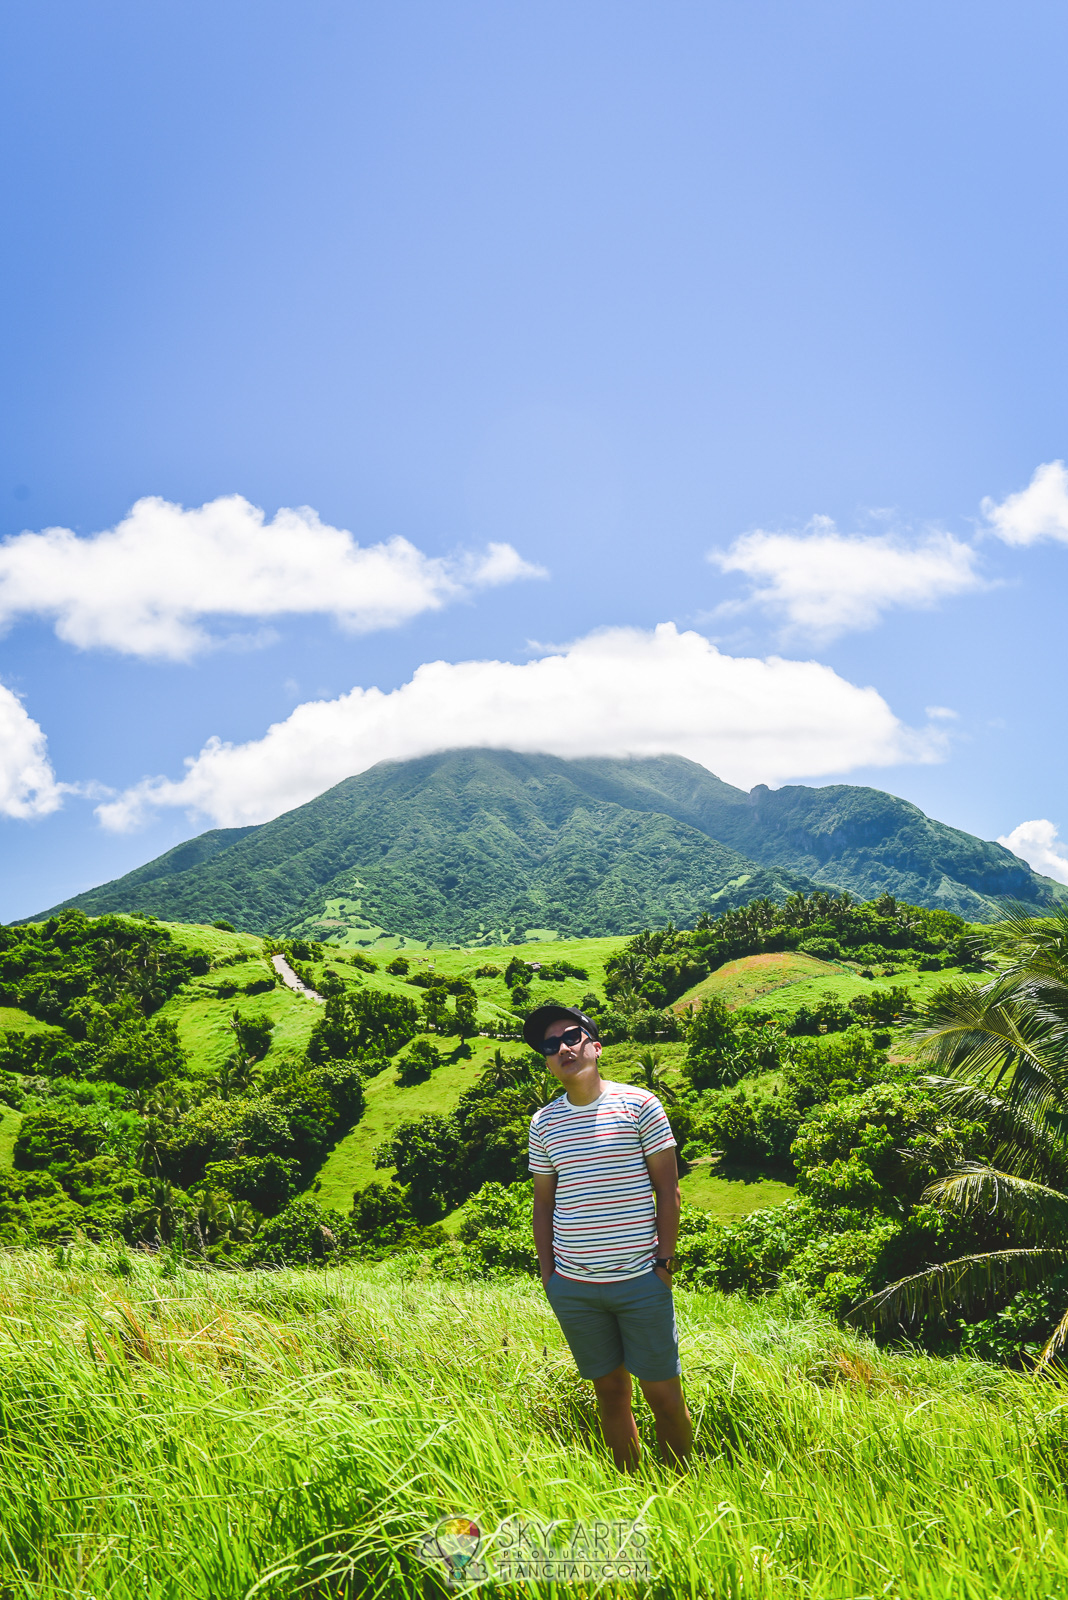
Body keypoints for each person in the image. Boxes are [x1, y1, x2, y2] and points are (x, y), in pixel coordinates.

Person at [525, 1003, 693, 1470]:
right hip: (574, 1288)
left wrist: (664, 1265)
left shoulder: (640, 1104)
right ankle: (632, 1489)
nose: (563, 1048)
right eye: (550, 1045)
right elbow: (543, 1203)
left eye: (571, 1037)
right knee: (611, 1394)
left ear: (595, 1046)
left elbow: (668, 1190)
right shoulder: (543, 1123)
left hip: (641, 1281)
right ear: (547, 1061)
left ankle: (683, 1488)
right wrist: (550, 1277)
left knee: (664, 1396)